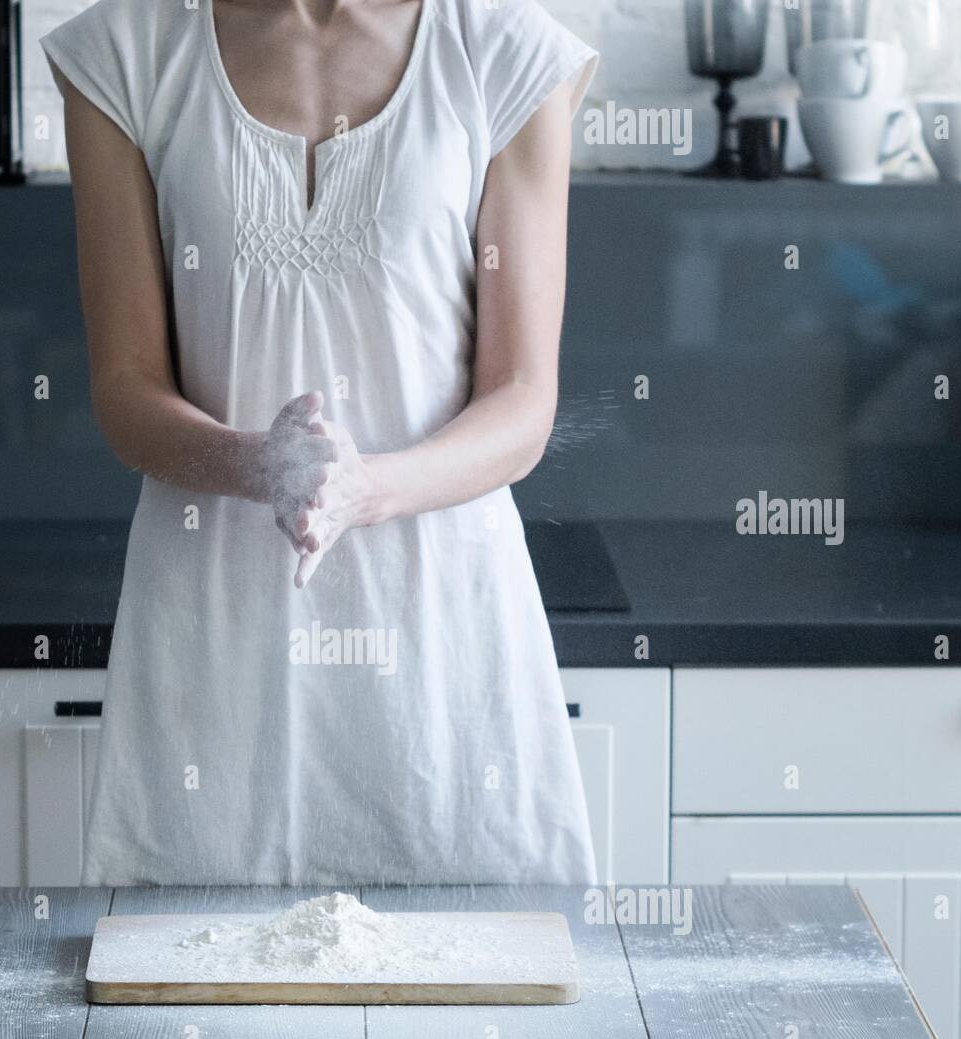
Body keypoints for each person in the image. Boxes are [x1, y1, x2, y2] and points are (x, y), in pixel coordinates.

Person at [41, 0, 598, 886]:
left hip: (439, 639)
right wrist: (258, 463)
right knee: (192, 991)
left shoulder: (504, 55)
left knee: (474, 992)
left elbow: (523, 400)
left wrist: (365, 488)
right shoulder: (126, 55)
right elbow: (125, 387)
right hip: (215, 631)